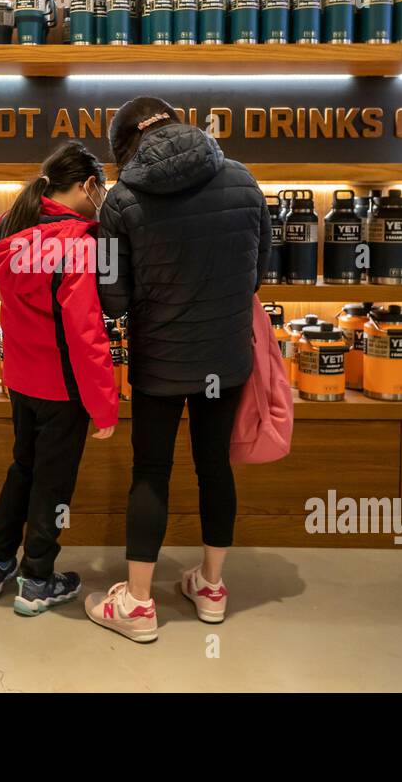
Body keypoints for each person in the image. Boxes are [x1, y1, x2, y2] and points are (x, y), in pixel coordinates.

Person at [85, 97, 270, 643]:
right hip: (226, 358)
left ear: (124, 146)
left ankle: (139, 604)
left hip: (161, 363)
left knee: (152, 472)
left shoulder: (118, 203)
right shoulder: (242, 179)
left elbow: (112, 300)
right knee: (215, 466)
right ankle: (212, 588)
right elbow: (257, 272)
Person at [0, 141, 119, 617]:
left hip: (21, 380)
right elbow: (85, 333)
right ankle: (36, 580)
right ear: (89, 186)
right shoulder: (77, 244)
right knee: (53, 484)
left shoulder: (14, 230)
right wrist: (105, 405)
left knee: (24, 469)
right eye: (103, 188)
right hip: (63, 388)